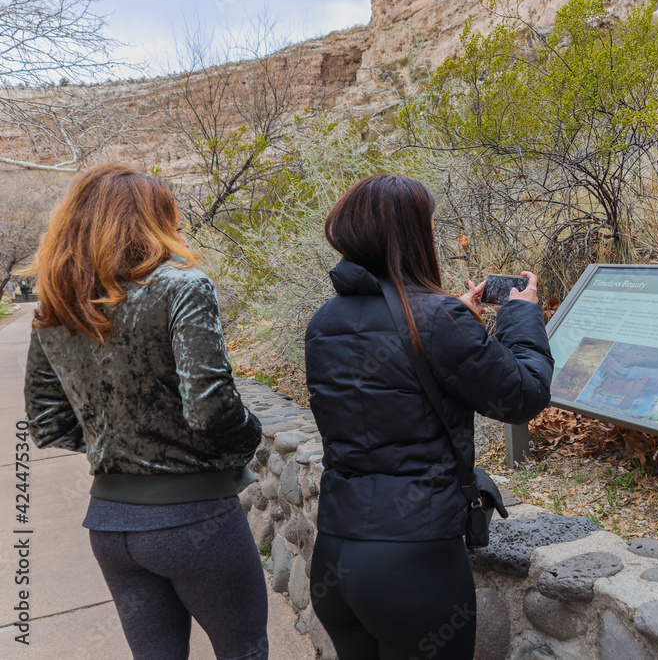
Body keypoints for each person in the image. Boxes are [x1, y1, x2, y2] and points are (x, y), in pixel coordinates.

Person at [22, 163, 269, 660]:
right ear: (151, 221)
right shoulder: (183, 287)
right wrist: (248, 442)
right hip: (196, 519)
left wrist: (118, 440)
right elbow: (211, 409)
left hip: (111, 528)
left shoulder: (56, 308)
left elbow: (48, 424)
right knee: (244, 652)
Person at [305, 174, 553, 660]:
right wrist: (521, 314)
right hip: (412, 565)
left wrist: (454, 318)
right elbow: (523, 395)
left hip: (335, 554)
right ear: (411, 236)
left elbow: (381, 390)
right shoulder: (437, 321)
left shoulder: (324, 322)